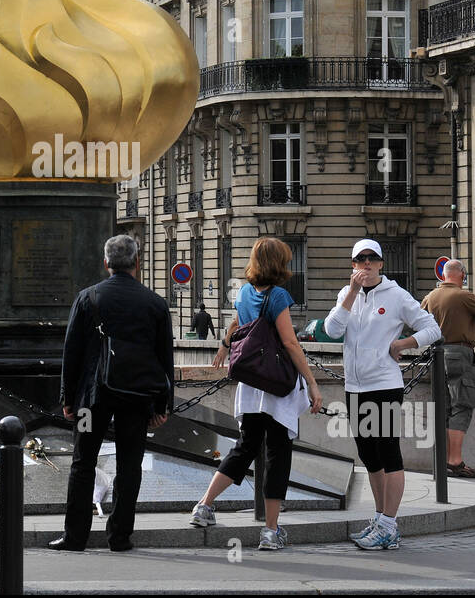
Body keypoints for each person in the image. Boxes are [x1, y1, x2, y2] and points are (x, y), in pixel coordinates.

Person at [191, 237, 323, 550]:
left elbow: (238, 321)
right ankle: (270, 531)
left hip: (250, 384)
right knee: (278, 453)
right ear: (279, 263)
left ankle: (205, 505)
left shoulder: (246, 291)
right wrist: (312, 382)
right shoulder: (278, 296)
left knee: (245, 447)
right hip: (275, 386)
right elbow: (290, 343)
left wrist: (224, 345)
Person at [50, 234, 173, 552]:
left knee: (83, 462)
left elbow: (72, 351)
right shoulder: (156, 304)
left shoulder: (88, 298)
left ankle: (75, 536)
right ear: (138, 263)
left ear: (106, 263)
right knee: (130, 464)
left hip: (92, 399)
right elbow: (164, 359)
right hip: (136, 398)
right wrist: (162, 405)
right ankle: (119, 535)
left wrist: (68, 399)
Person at [324, 238, 441, 551]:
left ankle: (389, 523)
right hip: (355, 386)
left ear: (380, 263)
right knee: (368, 455)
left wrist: (403, 344)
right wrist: (349, 293)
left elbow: (432, 329)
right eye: (360, 259)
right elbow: (333, 330)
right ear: (352, 264)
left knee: (388, 452)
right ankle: (381, 519)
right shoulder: (345, 294)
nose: (365, 264)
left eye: (371, 258)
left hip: (384, 385)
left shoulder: (396, 295)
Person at [420, 259, 475, 478]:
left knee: (444, 407)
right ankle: (454, 461)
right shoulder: (464, 296)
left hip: (436, 355)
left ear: (443, 275)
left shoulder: (431, 296)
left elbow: (417, 321)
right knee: (462, 405)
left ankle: (443, 461)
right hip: (460, 354)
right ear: (462, 275)